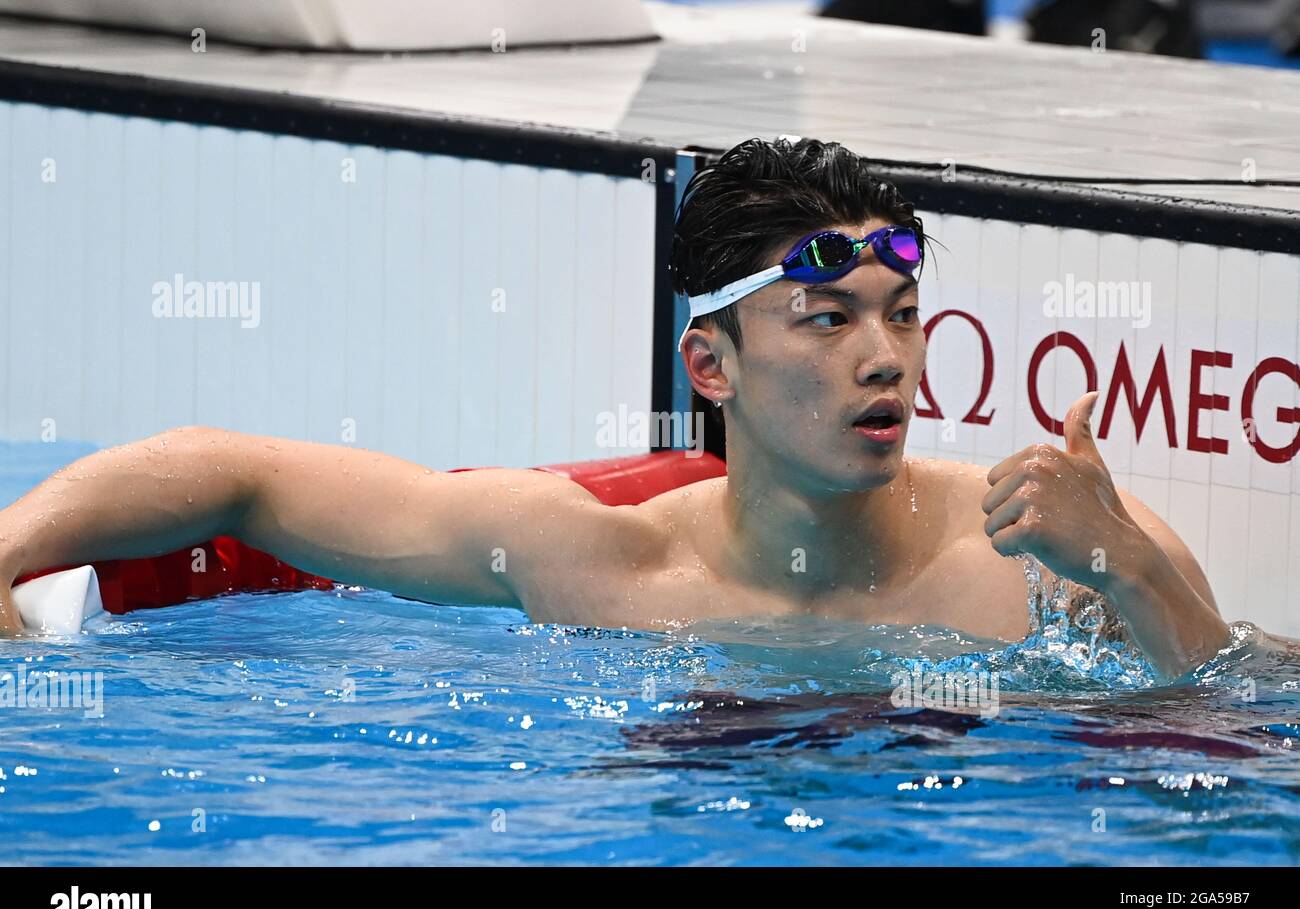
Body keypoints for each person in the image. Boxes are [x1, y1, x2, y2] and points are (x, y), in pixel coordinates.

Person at [0, 137, 1232, 678]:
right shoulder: (588, 556)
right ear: (711, 369)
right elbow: (234, 471)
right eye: (829, 317)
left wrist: (1130, 567)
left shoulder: (1038, 552)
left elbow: (1242, 738)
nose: (885, 358)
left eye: (902, 313)